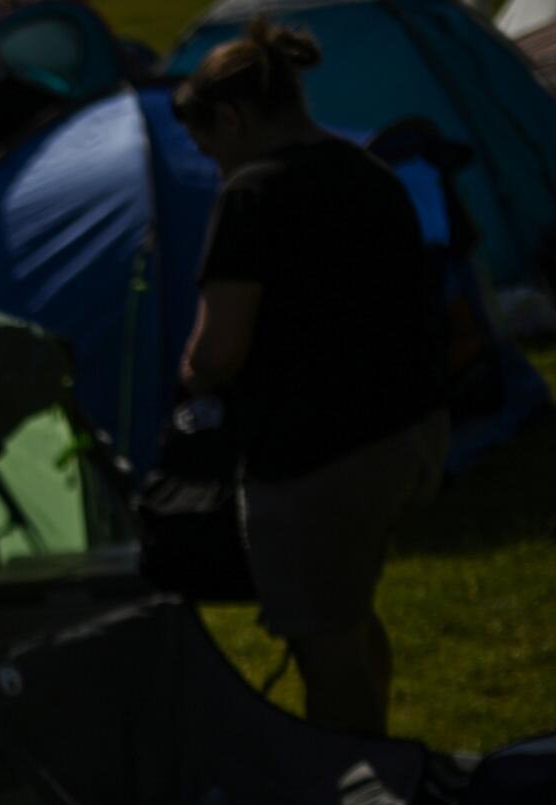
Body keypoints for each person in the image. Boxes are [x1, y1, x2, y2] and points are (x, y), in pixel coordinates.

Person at [177, 25, 449, 739]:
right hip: (405, 430)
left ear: (231, 119)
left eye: (210, 148)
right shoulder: (369, 172)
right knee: (350, 613)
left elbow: (220, 352)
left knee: (324, 646)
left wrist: (192, 369)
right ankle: (386, 761)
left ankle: (360, 794)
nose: (214, 167)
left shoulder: (252, 196)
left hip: (317, 457)